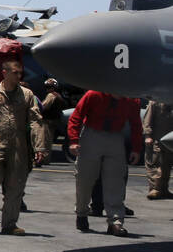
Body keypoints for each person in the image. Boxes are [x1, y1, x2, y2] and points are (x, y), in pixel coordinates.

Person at [0, 60, 49, 235]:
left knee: (16, 184)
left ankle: (9, 224)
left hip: (18, 144)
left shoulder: (27, 95)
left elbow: (36, 121)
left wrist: (39, 147)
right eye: (15, 73)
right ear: (4, 73)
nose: (18, 76)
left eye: (20, 73)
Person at [68, 89, 142, 236]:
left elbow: (135, 124)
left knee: (116, 181)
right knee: (85, 178)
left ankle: (115, 222)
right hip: (91, 135)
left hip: (115, 138)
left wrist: (136, 148)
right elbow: (77, 116)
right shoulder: (93, 94)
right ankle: (82, 213)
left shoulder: (132, 99)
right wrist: (74, 140)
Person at [142, 99, 173, 199]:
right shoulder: (155, 101)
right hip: (156, 140)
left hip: (169, 140)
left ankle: (164, 189)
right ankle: (155, 189)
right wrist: (147, 135)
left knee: (166, 165)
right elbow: (147, 119)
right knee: (154, 164)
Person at [39, 78, 67, 161]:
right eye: (47, 87)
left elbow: (43, 106)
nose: (47, 89)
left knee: (45, 140)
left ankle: (44, 159)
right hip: (54, 121)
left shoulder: (51, 95)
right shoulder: (58, 95)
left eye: (49, 87)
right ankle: (46, 158)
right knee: (48, 140)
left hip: (47, 121)